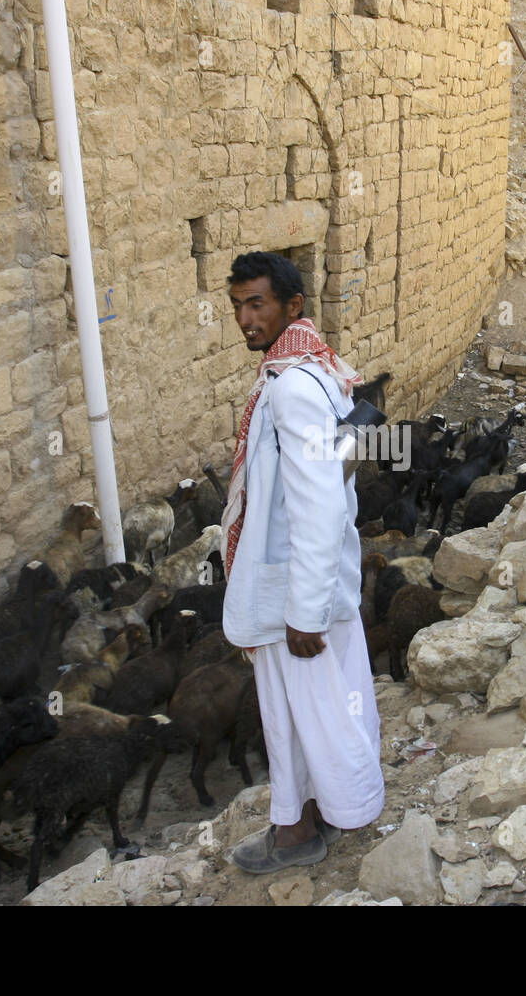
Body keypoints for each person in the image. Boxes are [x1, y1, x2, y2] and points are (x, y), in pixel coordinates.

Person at [219, 251, 385, 873]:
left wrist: (305, 613)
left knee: (297, 715)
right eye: (237, 304)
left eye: (256, 303)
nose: (244, 318)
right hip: (309, 581)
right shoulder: (312, 370)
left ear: (292, 307)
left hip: (296, 590)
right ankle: (315, 817)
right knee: (318, 707)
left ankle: (296, 832)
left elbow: (316, 504)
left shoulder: (291, 388)